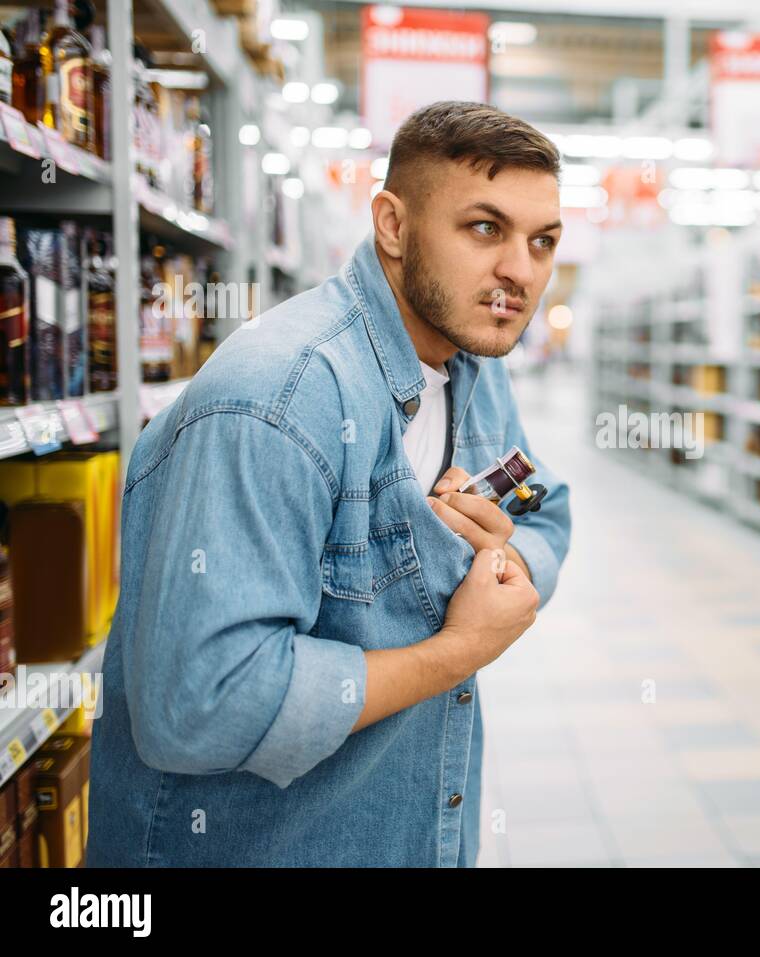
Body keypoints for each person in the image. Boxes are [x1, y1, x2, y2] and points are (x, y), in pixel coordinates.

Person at [85, 101, 571, 867]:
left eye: (542, 241)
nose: (522, 268)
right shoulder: (279, 399)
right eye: (485, 228)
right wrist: (461, 646)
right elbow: (204, 706)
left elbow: (548, 514)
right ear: (392, 224)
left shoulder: (474, 363)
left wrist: (503, 561)